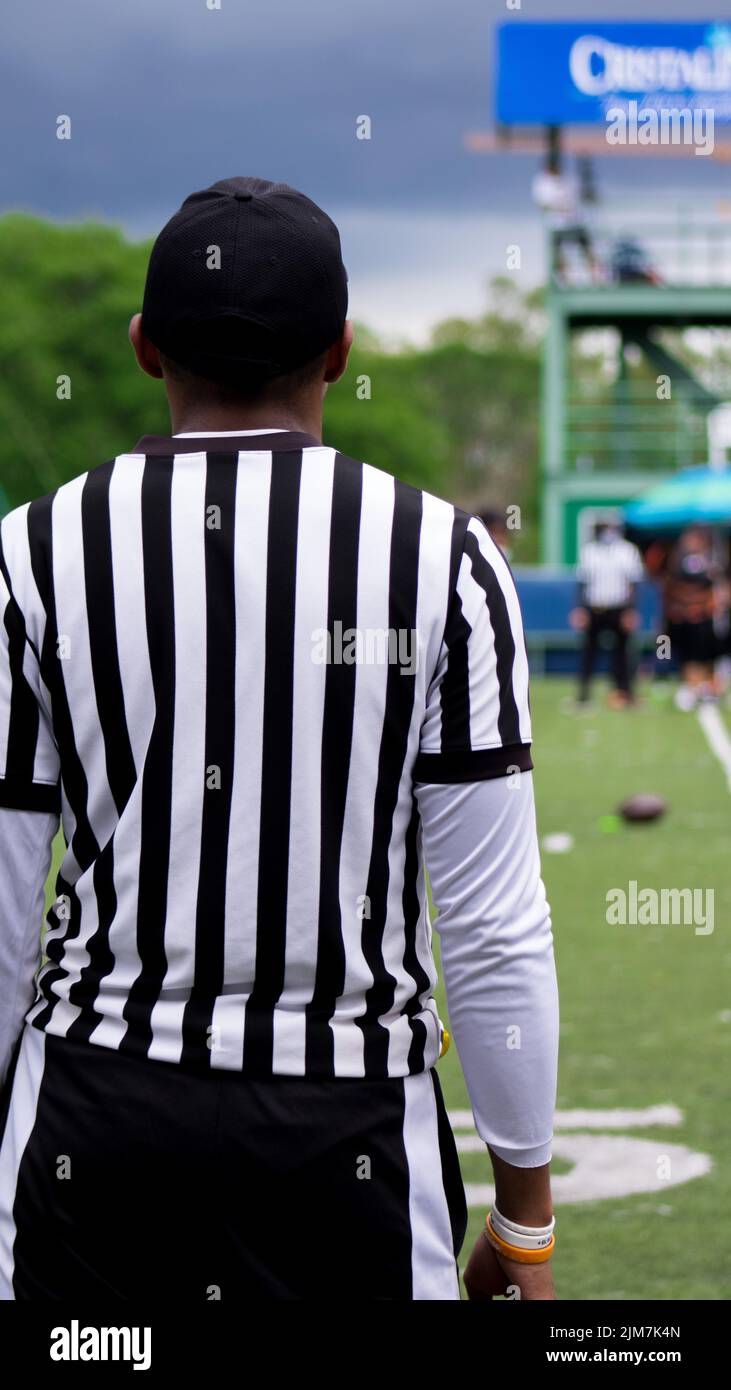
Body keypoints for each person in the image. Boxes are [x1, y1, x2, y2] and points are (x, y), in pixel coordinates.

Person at [0, 177, 558, 1302]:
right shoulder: (443, 561)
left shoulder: (30, 554)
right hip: (343, 1133)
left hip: (96, 1115)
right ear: (342, 349)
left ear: (145, 347)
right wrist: (524, 1221)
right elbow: (492, 930)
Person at [571, 521, 644, 707]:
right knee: (589, 652)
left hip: (619, 608)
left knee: (622, 652)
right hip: (594, 607)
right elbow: (582, 581)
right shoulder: (589, 551)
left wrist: (631, 611)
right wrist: (580, 609)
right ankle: (584, 695)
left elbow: (633, 583)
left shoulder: (628, 551)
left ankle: (625, 693)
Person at [664, 526, 725, 709]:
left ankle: (708, 689)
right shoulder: (678, 561)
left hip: (705, 617)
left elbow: (714, 588)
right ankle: (692, 688)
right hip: (685, 617)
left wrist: (706, 604)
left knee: (708, 655)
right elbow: (673, 587)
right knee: (686, 654)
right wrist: (686, 605)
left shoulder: (711, 560)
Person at [531, 153, 600, 284]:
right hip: (557, 225)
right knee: (558, 253)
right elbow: (542, 205)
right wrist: (559, 207)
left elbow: (580, 196)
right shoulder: (542, 183)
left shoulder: (568, 179)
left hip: (574, 222)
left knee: (586, 247)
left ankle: (596, 276)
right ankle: (566, 279)